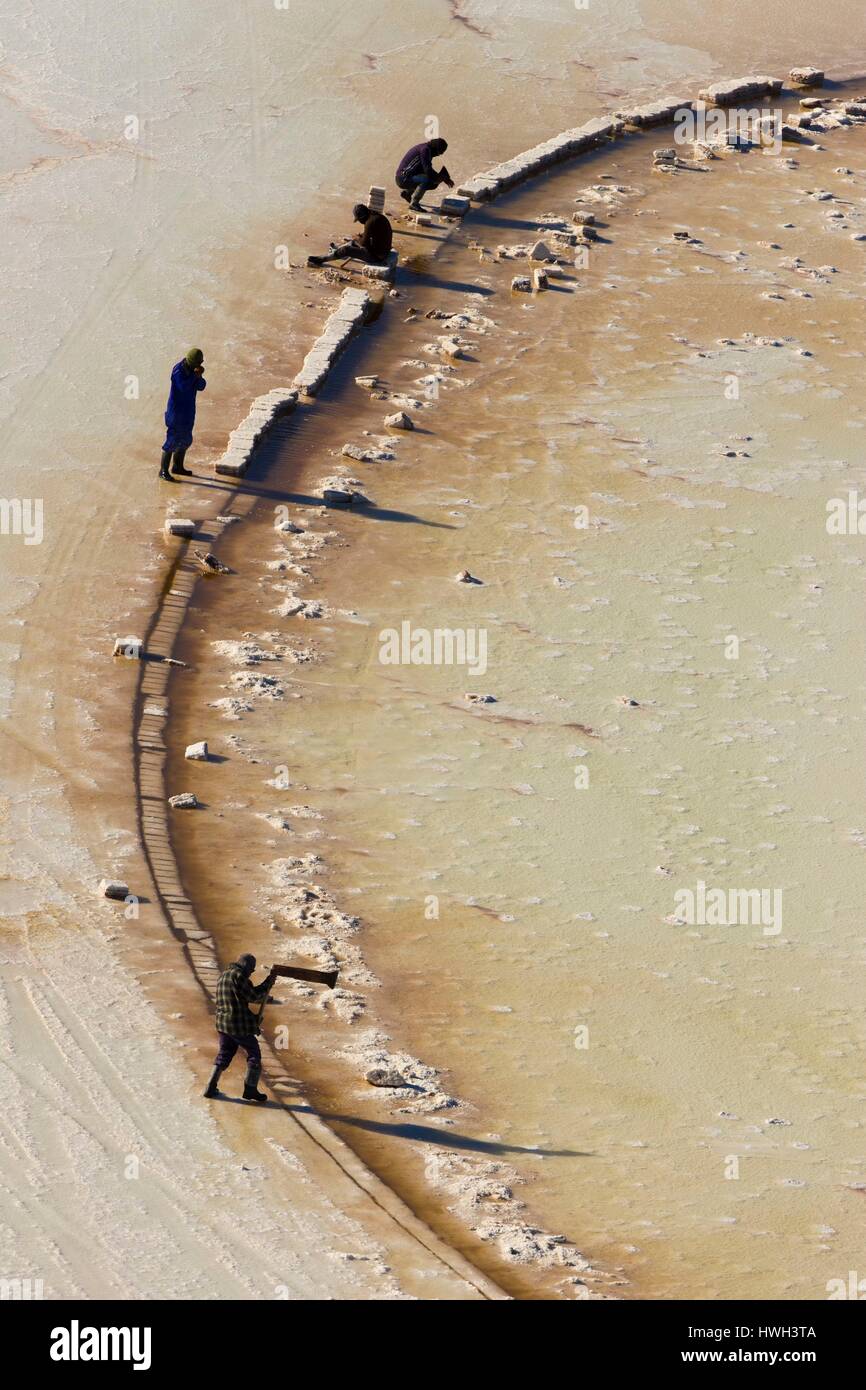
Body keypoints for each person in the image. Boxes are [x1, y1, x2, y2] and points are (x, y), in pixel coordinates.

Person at [204, 954, 277, 1103]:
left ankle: (210, 1086)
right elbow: (254, 996)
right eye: (251, 969)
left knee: (225, 1053)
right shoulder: (239, 977)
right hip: (236, 1025)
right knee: (254, 1053)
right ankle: (250, 1089)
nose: (251, 972)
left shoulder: (223, 976)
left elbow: (238, 999)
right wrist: (268, 982)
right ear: (245, 965)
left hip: (222, 1024)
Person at [159, 347, 206, 481]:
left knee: (186, 440)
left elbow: (201, 386)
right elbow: (183, 387)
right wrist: (195, 376)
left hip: (188, 412)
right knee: (172, 441)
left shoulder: (193, 372)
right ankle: (163, 470)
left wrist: (199, 376)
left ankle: (177, 467)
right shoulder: (178, 370)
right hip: (176, 412)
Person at [307, 203, 393, 267]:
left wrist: (357, 238)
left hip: (377, 256)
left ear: (362, 218)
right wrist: (360, 238)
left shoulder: (369, 223)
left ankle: (321, 259)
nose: (360, 222)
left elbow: (363, 243)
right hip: (385, 250)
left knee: (346, 249)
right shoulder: (378, 216)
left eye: (359, 220)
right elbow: (373, 234)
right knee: (354, 242)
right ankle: (336, 252)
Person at [395, 137, 453, 208]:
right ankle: (414, 204)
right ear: (436, 148)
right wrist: (442, 178)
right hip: (403, 178)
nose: (438, 155)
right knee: (427, 180)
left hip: (406, 177)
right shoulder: (425, 150)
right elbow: (428, 170)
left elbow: (425, 169)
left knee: (432, 182)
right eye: (439, 152)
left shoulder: (426, 149)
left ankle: (407, 193)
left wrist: (443, 178)